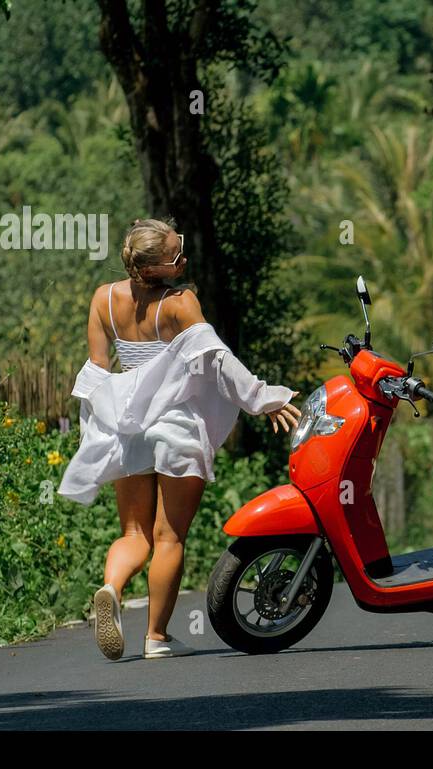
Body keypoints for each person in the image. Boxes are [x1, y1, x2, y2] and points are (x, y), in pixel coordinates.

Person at [58, 218, 301, 661]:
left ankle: (111, 586)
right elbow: (218, 362)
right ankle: (156, 637)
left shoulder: (103, 300)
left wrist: (98, 432)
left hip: (129, 430)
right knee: (169, 538)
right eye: (176, 254)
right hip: (177, 430)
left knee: (134, 533)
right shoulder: (181, 303)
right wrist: (264, 400)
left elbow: (95, 375)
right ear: (156, 268)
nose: (184, 258)